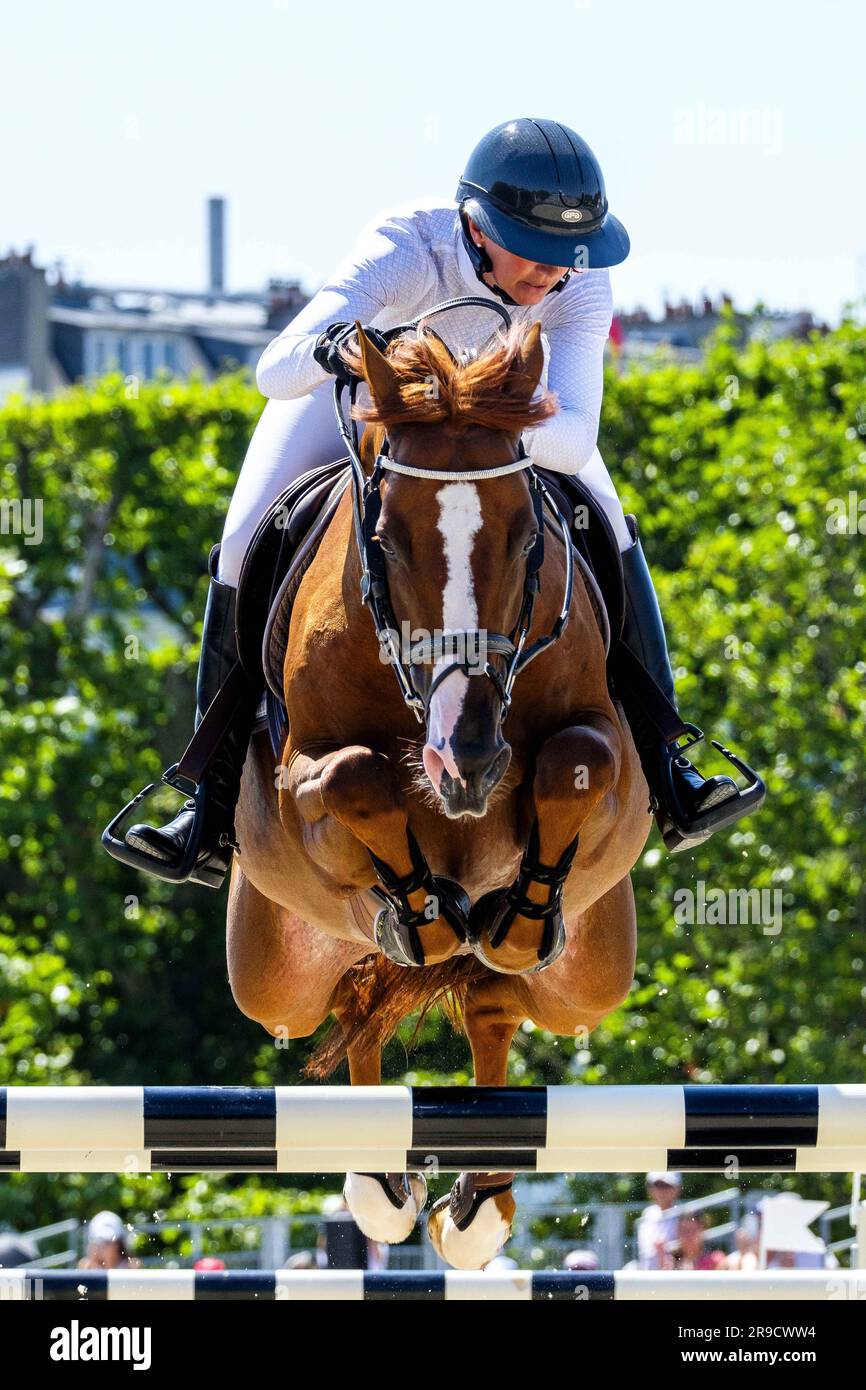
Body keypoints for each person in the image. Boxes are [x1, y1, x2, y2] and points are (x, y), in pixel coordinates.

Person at [112, 116, 755, 890]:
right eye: (534, 250)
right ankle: (204, 802)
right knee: (248, 536)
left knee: (608, 524)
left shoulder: (580, 277)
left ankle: (670, 759)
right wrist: (337, 348)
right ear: (477, 228)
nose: (551, 275)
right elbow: (275, 370)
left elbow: (576, 437)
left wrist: (489, 418)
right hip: (366, 410)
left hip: (515, 430)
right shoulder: (406, 246)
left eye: (566, 257)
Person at [636, 1171, 682, 1269]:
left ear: (677, 1188)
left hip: (673, 1273)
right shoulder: (648, 1214)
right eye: (657, 1185)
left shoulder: (682, 1215)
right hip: (648, 1274)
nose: (661, 1190)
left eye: (666, 1185)